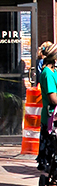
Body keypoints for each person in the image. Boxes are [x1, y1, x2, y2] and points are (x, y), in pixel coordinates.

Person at [36, 41, 57, 177]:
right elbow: (53, 98)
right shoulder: (47, 73)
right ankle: (53, 177)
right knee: (53, 150)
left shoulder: (53, 71)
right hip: (51, 117)